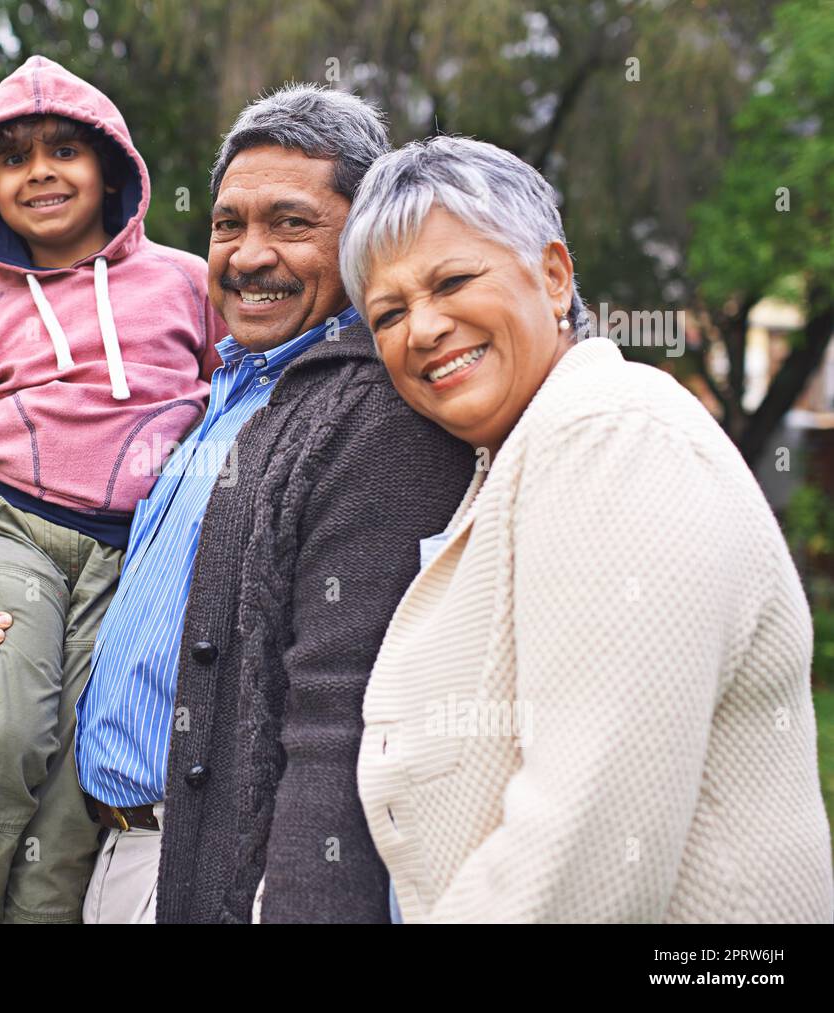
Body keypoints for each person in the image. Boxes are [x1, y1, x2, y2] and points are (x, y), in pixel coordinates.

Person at [0, 84, 473, 923]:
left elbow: (336, 715)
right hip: (106, 851)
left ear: (366, 239)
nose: (249, 255)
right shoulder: (220, 384)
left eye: (290, 223)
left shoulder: (371, 413)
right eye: (227, 225)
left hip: (217, 870)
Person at [342, 135, 834, 923]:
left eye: (453, 280)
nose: (422, 329)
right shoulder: (521, 454)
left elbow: (587, 845)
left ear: (554, 275)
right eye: (389, 313)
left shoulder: (610, 436)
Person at [0, 55, 225, 924]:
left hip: (133, 555)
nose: (40, 170)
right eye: (13, 157)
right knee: (5, 733)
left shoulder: (189, 285)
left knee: (82, 770)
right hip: (11, 531)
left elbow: (241, 397)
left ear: (110, 168)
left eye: (64, 150)